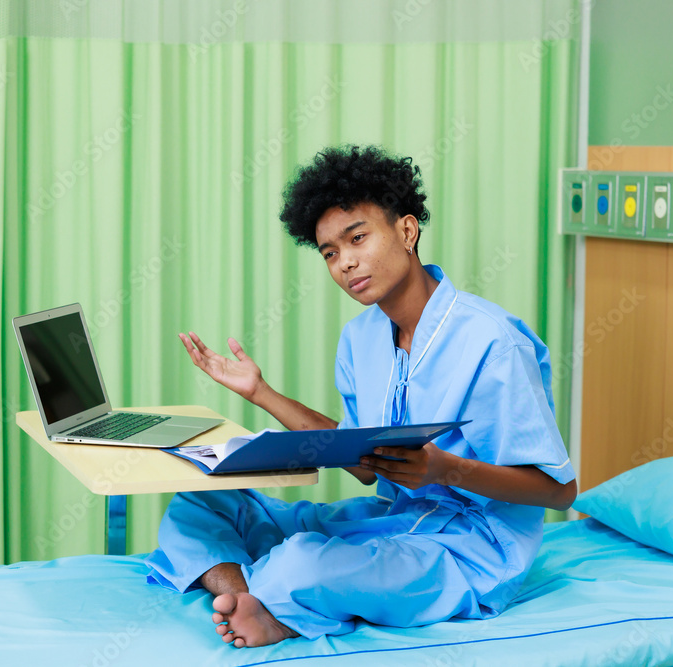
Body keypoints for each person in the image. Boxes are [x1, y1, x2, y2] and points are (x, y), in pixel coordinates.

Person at [145, 144, 577, 648]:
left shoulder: (492, 342)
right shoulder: (360, 339)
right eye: (330, 253)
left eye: (357, 238)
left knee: (302, 562)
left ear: (407, 231)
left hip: (470, 552)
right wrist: (261, 392)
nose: (345, 263)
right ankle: (249, 596)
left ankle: (273, 600)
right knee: (199, 505)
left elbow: (557, 491)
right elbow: (364, 467)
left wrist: (442, 470)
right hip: (391, 523)